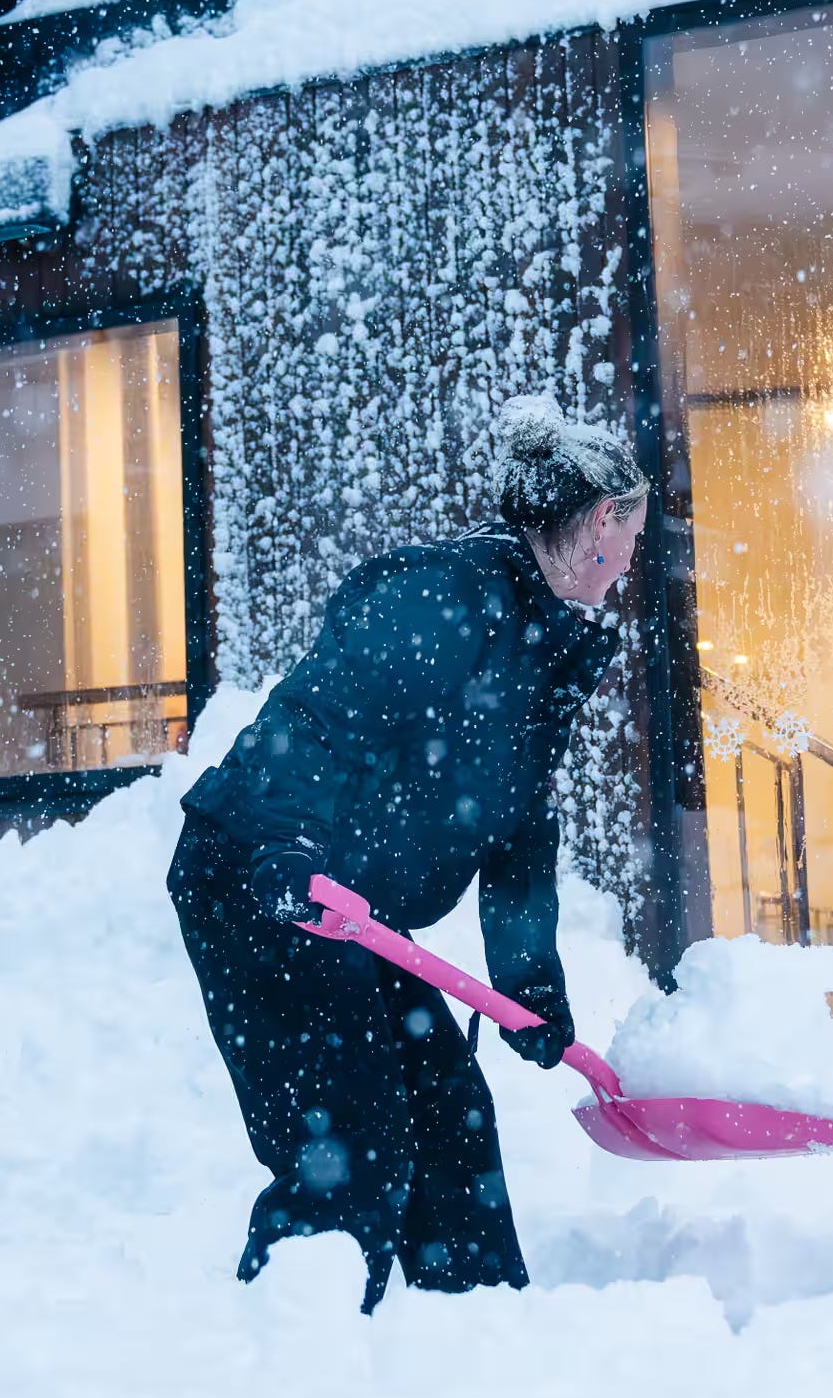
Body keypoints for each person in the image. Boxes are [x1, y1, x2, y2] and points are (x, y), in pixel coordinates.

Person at [167, 396, 648, 1312]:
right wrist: (285, 842)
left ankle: (469, 1334)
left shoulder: (543, 647)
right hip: (259, 880)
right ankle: (297, 1362)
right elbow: (317, 722)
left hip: (345, 909)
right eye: (631, 535)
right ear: (600, 523)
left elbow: (516, 831)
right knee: (348, 1138)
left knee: (448, 1114)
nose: (631, 562)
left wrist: (529, 985)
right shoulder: (444, 598)